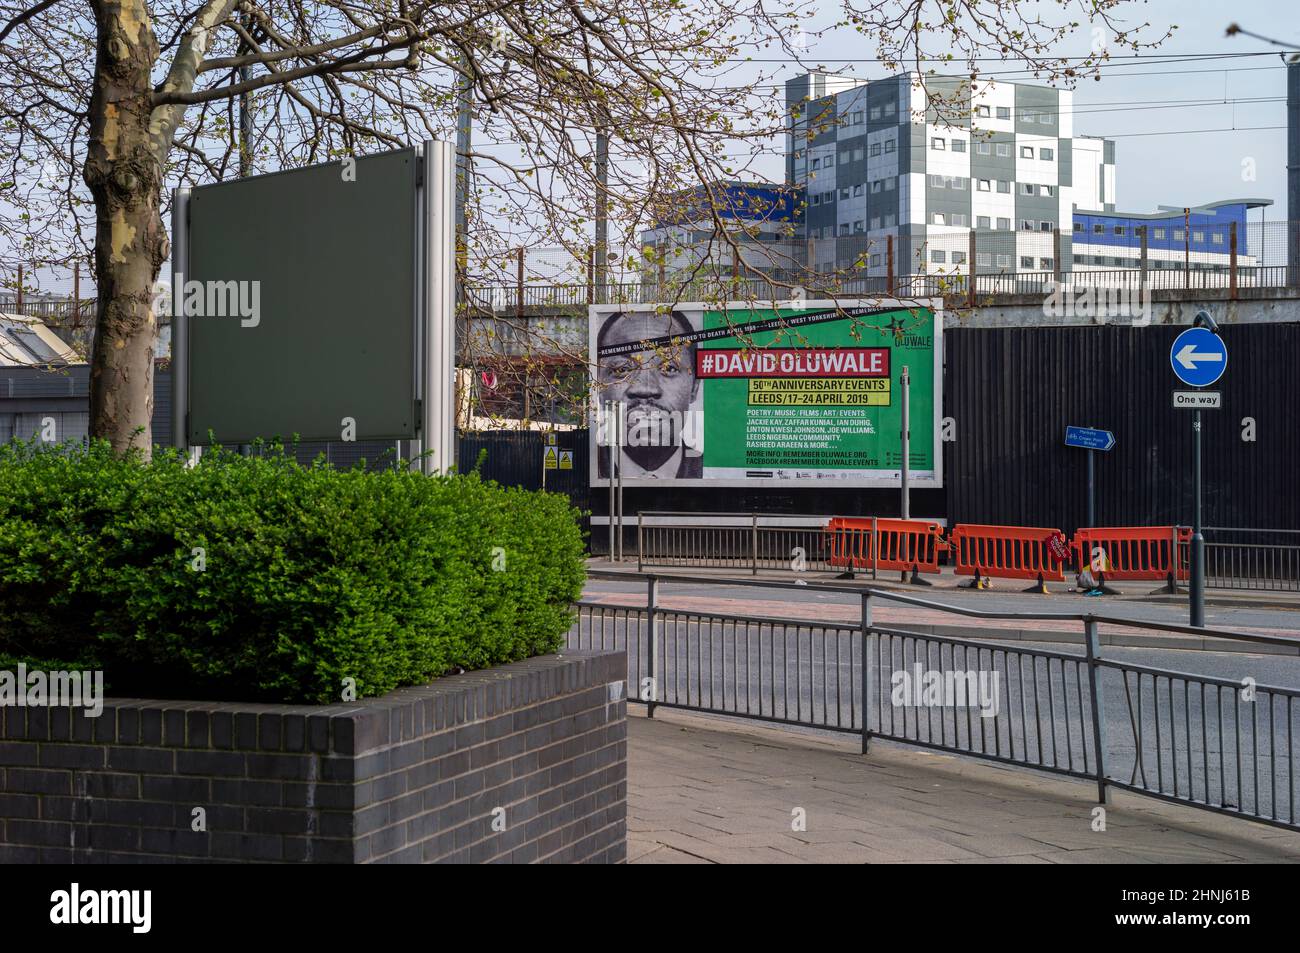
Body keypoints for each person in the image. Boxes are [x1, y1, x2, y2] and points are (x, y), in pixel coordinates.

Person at [595, 309, 702, 479]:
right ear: (599, 387)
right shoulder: (590, 467)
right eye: (622, 369)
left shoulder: (705, 470)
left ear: (694, 387)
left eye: (668, 368)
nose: (645, 389)